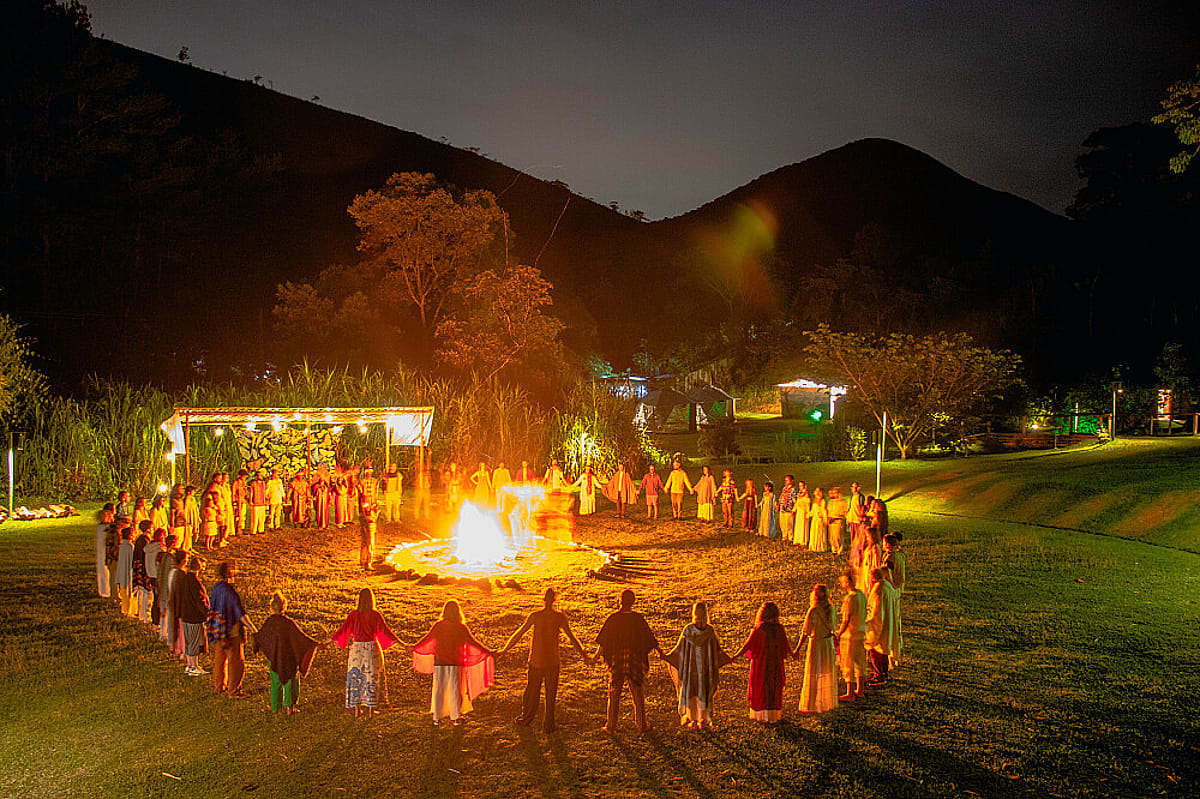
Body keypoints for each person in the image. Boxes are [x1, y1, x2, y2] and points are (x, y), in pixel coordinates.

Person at [499, 588, 586, 733]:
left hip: (536, 661)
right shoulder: (559, 617)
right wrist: (585, 657)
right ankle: (548, 725)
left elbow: (519, 634)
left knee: (532, 691)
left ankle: (526, 719)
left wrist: (504, 650)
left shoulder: (535, 616)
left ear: (544, 599)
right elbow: (572, 639)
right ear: (554, 600)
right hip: (552, 661)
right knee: (550, 694)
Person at [412, 600, 496, 726]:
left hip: (440, 662)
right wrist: (489, 652)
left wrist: (414, 647)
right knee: (455, 690)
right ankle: (456, 718)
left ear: (444, 612)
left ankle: (436, 718)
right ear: (458, 612)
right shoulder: (461, 628)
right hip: (456, 664)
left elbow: (427, 639)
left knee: (439, 689)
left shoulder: (438, 626)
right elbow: (473, 643)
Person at [593, 589, 662, 735]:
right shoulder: (638, 619)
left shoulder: (613, 619)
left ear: (621, 601)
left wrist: (595, 657)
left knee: (614, 692)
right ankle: (642, 725)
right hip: (634, 660)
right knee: (637, 692)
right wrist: (662, 653)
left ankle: (611, 725)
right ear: (633, 602)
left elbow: (603, 643)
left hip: (617, 660)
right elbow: (650, 638)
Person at [329, 587, 399, 717]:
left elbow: (342, 630)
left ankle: (357, 710)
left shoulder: (353, 615)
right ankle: (371, 711)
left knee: (357, 678)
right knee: (371, 678)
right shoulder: (375, 615)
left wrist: (328, 641)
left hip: (357, 650)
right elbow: (386, 631)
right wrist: (402, 643)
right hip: (371, 649)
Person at [252, 590, 324, 715]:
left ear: (271, 607)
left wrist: (256, 640)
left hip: (274, 658)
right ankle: (289, 708)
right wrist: (315, 644)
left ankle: (275, 708)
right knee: (290, 682)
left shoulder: (269, 623)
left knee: (275, 683)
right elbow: (301, 638)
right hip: (288, 659)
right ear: (284, 607)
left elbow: (261, 637)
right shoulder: (288, 623)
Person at [663, 601, 732, 729]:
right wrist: (668, 657)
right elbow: (681, 649)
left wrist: (668, 657)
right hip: (698, 669)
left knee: (697, 694)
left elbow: (715, 650)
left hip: (698, 669)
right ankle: (698, 719)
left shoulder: (699, 630)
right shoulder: (698, 631)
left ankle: (698, 719)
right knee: (697, 693)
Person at [735, 601, 791, 723]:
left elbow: (748, 645)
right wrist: (792, 653)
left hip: (761, 666)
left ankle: (762, 716)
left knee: (761, 688)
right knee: (773, 688)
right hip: (775, 665)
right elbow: (785, 645)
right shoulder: (778, 629)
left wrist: (735, 656)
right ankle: (773, 716)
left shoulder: (759, 630)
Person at [207, 561, 254, 697]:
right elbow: (239, 613)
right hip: (231, 632)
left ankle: (218, 686)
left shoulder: (217, 587)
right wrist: (252, 628)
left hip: (218, 629)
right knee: (236, 662)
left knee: (219, 660)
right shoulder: (231, 592)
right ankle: (233, 690)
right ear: (230, 573)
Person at [796, 584, 838, 713]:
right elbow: (833, 629)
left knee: (813, 673)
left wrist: (797, 649)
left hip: (816, 644)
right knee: (826, 672)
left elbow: (805, 632)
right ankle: (826, 702)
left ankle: (810, 704)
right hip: (827, 643)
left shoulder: (813, 611)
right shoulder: (831, 609)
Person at [171, 554, 210, 676]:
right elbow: (199, 599)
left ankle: (190, 665)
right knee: (193, 641)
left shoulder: (185, 578)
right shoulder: (194, 581)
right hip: (193, 616)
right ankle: (193, 666)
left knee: (189, 640)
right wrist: (207, 612)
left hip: (185, 614)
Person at [865, 567, 901, 685]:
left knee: (876, 648)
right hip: (888, 620)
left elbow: (876, 610)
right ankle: (884, 673)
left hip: (880, 623)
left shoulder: (878, 590)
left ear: (874, 578)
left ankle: (879, 675)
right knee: (884, 648)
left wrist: (869, 622)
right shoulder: (887, 586)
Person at [835, 570, 867, 701]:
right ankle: (860, 690)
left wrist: (839, 632)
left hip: (850, 634)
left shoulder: (850, 598)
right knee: (860, 662)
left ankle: (850, 693)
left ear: (847, 582)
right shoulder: (861, 595)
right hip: (860, 631)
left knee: (848, 663)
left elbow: (846, 619)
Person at [357, 462, 379, 572]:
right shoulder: (361, 483)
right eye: (367, 472)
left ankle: (365, 561)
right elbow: (361, 497)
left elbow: (375, 495)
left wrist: (374, 507)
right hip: (366, 514)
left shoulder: (375, 482)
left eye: (370, 472)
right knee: (368, 539)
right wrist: (364, 511)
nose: (369, 474)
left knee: (369, 539)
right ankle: (367, 562)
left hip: (372, 511)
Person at [131, 527, 153, 624]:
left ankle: (140, 613)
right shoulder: (145, 540)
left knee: (141, 591)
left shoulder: (140, 539)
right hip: (144, 568)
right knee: (145, 593)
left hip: (139, 567)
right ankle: (144, 615)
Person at [115, 526, 136, 617]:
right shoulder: (129, 546)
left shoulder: (123, 546)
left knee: (124, 592)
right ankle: (129, 611)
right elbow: (131, 560)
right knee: (128, 593)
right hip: (127, 572)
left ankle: (124, 609)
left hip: (122, 572)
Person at [95, 504, 115, 598]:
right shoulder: (105, 529)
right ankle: (106, 590)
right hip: (105, 553)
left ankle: (105, 589)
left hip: (103, 553)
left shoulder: (102, 528)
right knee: (105, 570)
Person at [826, 486, 849, 555]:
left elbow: (844, 512)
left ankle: (839, 550)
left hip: (838, 520)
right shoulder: (831, 502)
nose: (834, 495)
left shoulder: (843, 502)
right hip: (831, 520)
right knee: (832, 537)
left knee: (838, 536)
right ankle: (834, 549)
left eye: (835, 493)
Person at [777, 475, 798, 543]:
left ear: (791, 481)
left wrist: (794, 509)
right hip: (782, 508)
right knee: (782, 522)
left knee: (789, 523)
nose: (785, 482)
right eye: (785, 480)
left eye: (787, 480)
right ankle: (784, 535)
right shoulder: (784, 488)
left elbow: (795, 500)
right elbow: (781, 497)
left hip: (789, 508)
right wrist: (778, 505)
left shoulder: (793, 489)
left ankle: (790, 536)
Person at [809, 487, 829, 553]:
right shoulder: (814, 501)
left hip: (820, 519)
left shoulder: (823, 501)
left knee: (820, 532)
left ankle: (820, 546)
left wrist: (825, 519)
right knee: (814, 532)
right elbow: (813, 510)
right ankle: (814, 546)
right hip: (815, 519)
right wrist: (809, 514)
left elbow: (824, 511)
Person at [231, 470, 249, 535]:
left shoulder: (244, 482)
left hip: (243, 500)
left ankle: (242, 528)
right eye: (243, 476)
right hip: (238, 500)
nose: (244, 477)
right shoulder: (236, 483)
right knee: (238, 515)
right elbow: (233, 492)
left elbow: (245, 490)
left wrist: (246, 496)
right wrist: (233, 501)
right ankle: (237, 528)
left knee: (243, 515)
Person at [183, 485, 200, 550]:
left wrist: (198, 517)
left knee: (193, 531)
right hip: (189, 517)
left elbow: (195, 508)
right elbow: (186, 509)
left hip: (194, 516)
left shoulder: (193, 499)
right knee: (188, 533)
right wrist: (186, 518)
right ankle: (186, 547)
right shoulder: (187, 499)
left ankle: (190, 547)